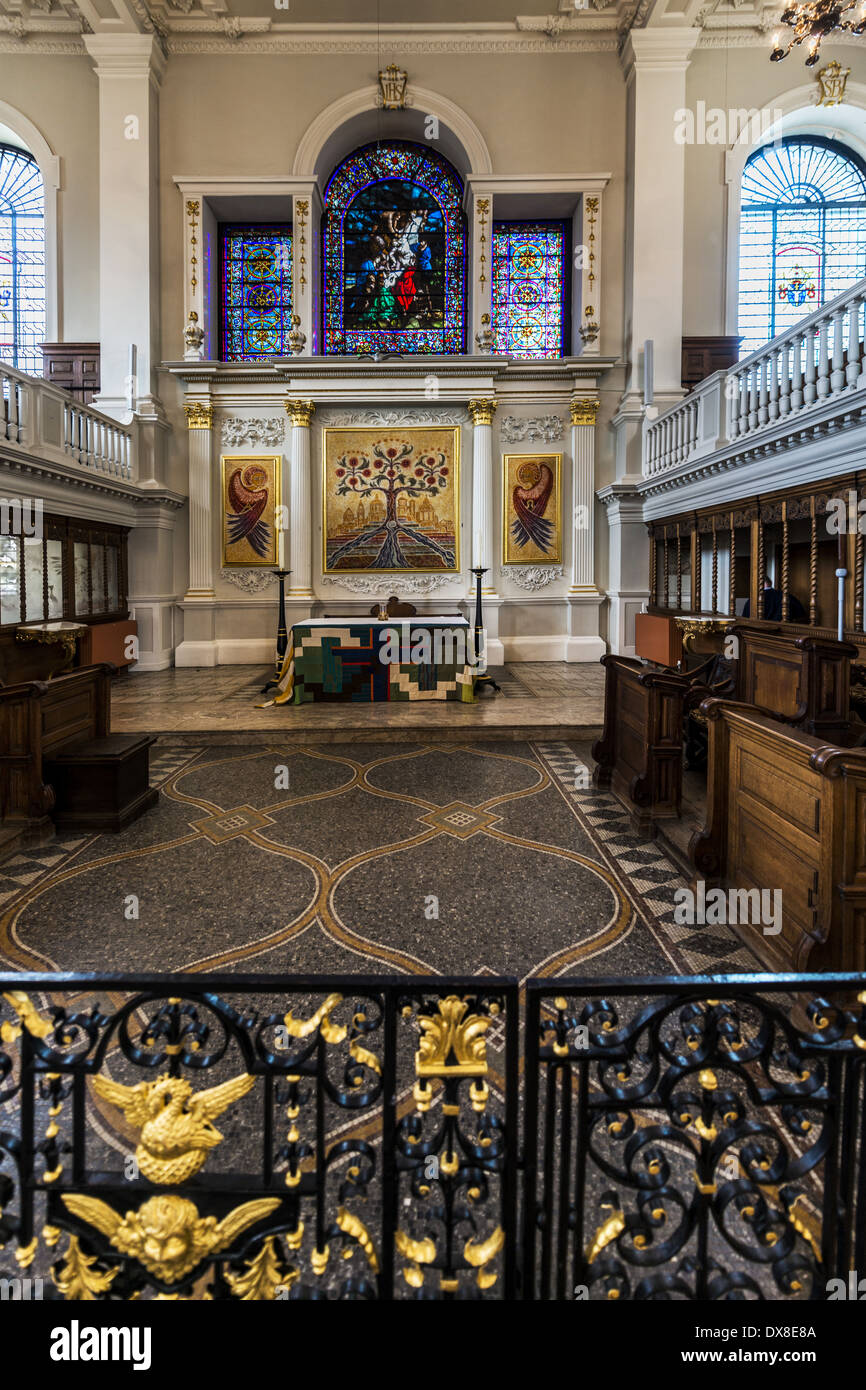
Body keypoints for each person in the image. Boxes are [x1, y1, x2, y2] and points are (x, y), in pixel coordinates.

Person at [742, 574, 807, 622]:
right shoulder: (786, 596)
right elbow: (801, 616)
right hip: (783, 634)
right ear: (770, 582)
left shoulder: (752, 600)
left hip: (756, 634)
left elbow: (745, 619)